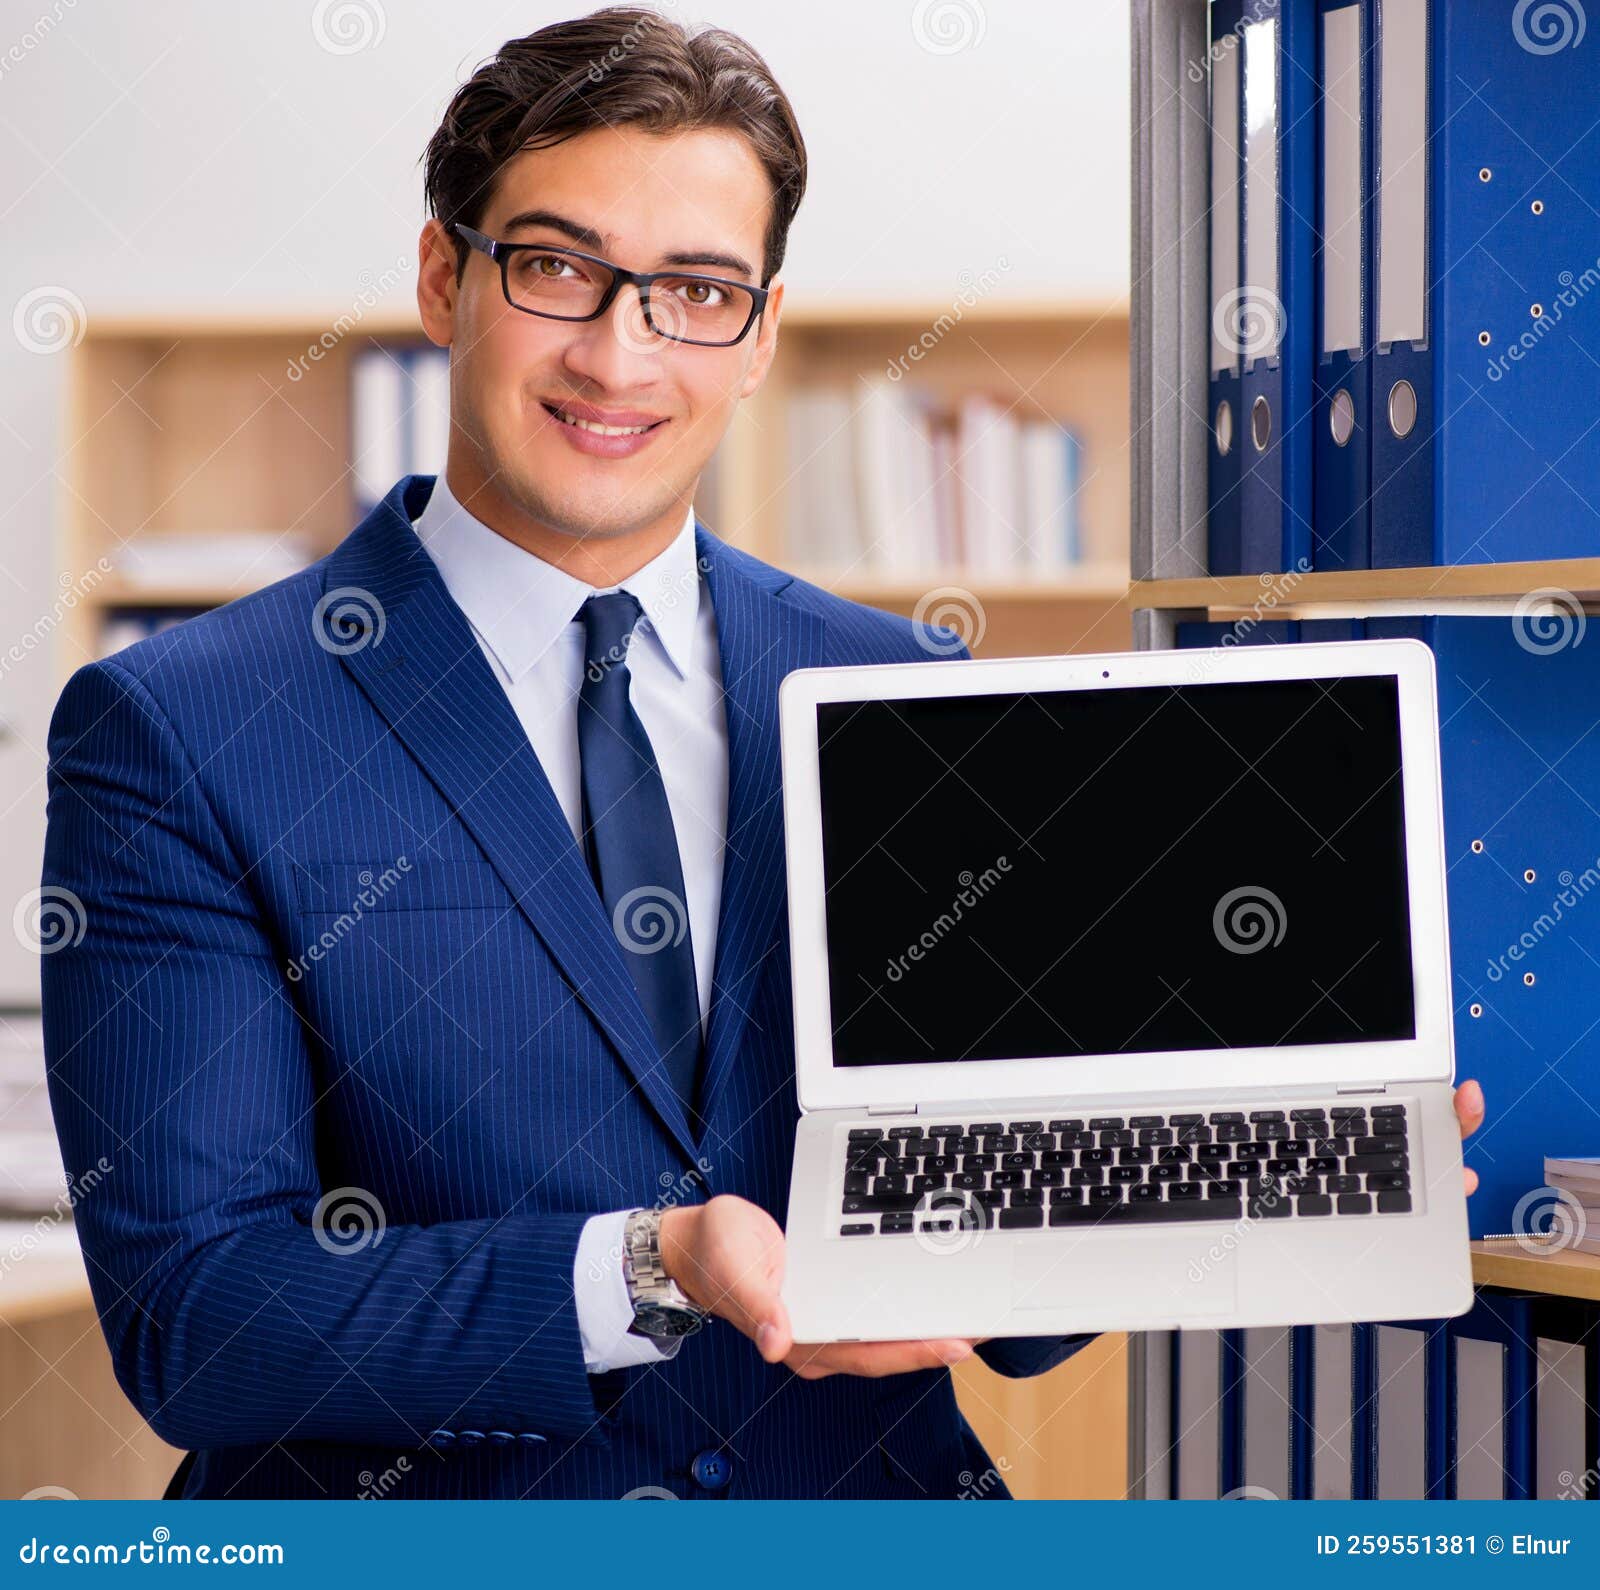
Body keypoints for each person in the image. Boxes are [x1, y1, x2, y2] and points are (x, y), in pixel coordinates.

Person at [39, 7, 1485, 1501]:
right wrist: (652, 1269)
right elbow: (200, 1318)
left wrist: (1227, 1155)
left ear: (761, 335)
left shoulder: (898, 686)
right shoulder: (187, 729)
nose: (620, 352)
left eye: (695, 292)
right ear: (441, 277)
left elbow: (1014, 1301)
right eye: (555, 268)